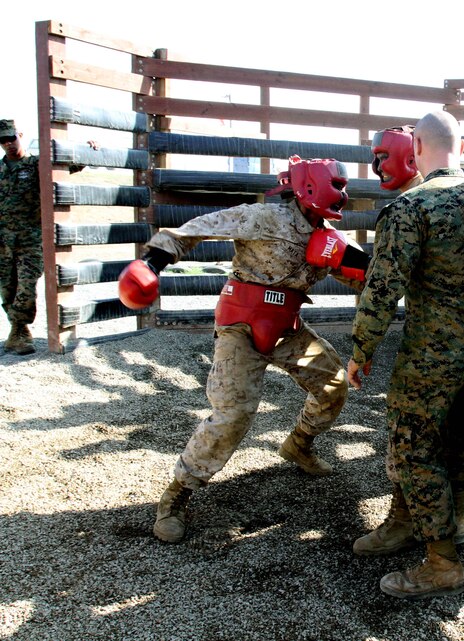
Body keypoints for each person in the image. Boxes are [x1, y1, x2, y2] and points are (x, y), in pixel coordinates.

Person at [118, 156, 369, 543]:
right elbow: (195, 229)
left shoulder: (332, 239)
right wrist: (152, 262)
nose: (341, 194)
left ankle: (299, 444)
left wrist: (373, 269)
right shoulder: (263, 217)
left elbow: (366, 277)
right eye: (335, 184)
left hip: (286, 328)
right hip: (241, 327)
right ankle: (176, 496)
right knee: (233, 413)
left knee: (333, 385)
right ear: (309, 186)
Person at [347, 111, 464, 599]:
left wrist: (361, 349)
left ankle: (441, 563)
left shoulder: (411, 207)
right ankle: (455, 521)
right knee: (456, 440)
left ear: (415, 147)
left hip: (429, 356)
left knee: (414, 450)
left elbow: (381, 289)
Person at [0, 119, 95, 355]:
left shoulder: (36, 164)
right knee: (7, 288)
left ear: (20, 135)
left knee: (26, 285)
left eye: (11, 138)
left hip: (31, 240)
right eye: (3, 140)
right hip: (3, 242)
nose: (8, 143)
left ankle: (20, 329)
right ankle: (16, 331)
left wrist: (86, 149)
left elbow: (67, 165)